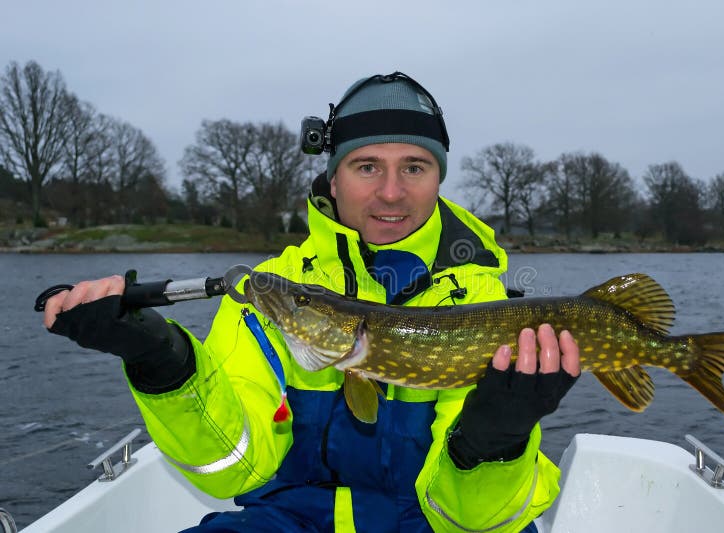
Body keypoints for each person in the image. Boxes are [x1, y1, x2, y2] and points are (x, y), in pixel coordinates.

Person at [43, 72, 581, 532]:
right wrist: (163, 363)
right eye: (366, 166)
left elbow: (468, 520)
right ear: (333, 176)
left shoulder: (485, 303)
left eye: (414, 167)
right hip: (291, 519)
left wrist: (492, 442)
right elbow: (234, 466)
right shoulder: (269, 290)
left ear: (438, 176)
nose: (391, 192)